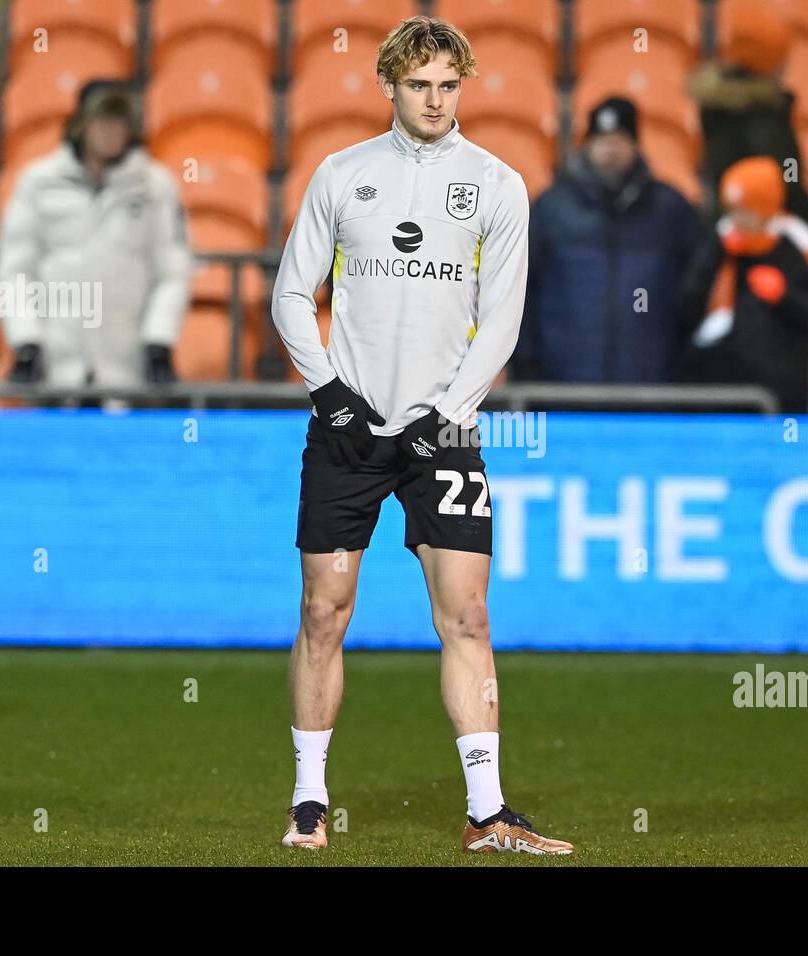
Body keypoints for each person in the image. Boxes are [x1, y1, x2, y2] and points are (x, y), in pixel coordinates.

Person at [271, 15, 572, 855]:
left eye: (448, 85)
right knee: (323, 612)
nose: (435, 100)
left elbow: (501, 317)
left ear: (462, 86)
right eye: (419, 85)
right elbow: (292, 294)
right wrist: (329, 392)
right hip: (348, 432)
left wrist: (453, 407)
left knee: (468, 615)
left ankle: (487, 811)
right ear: (390, 86)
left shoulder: (498, 184)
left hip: (444, 435)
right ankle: (307, 800)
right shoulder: (342, 173)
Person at [0, 82, 191, 392]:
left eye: (119, 121)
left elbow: (172, 272)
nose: (110, 131)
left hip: (127, 369)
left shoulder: (155, 186)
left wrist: (159, 341)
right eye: (101, 120)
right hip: (55, 369)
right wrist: (26, 342)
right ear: (81, 124)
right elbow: (15, 270)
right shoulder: (39, 182)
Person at [515, 97, 704, 382]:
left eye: (620, 139)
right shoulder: (552, 207)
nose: (611, 149)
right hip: (563, 386)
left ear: (636, 144)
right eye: (602, 140)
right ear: (587, 144)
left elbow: (698, 288)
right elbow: (521, 289)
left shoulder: (669, 208)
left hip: (652, 387)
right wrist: (525, 363)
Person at [681, 156, 808, 412]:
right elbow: (686, 309)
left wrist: (784, 296)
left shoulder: (799, 244)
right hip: (720, 375)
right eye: (732, 209)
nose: (738, 219)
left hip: (783, 381)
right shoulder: (719, 240)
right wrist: (714, 256)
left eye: (746, 210)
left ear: (765, 207)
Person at [687, 0, 808, 227]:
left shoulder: (717, 110)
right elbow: (788, 179)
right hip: (765, 231)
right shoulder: (766, 119)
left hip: (731, 226)